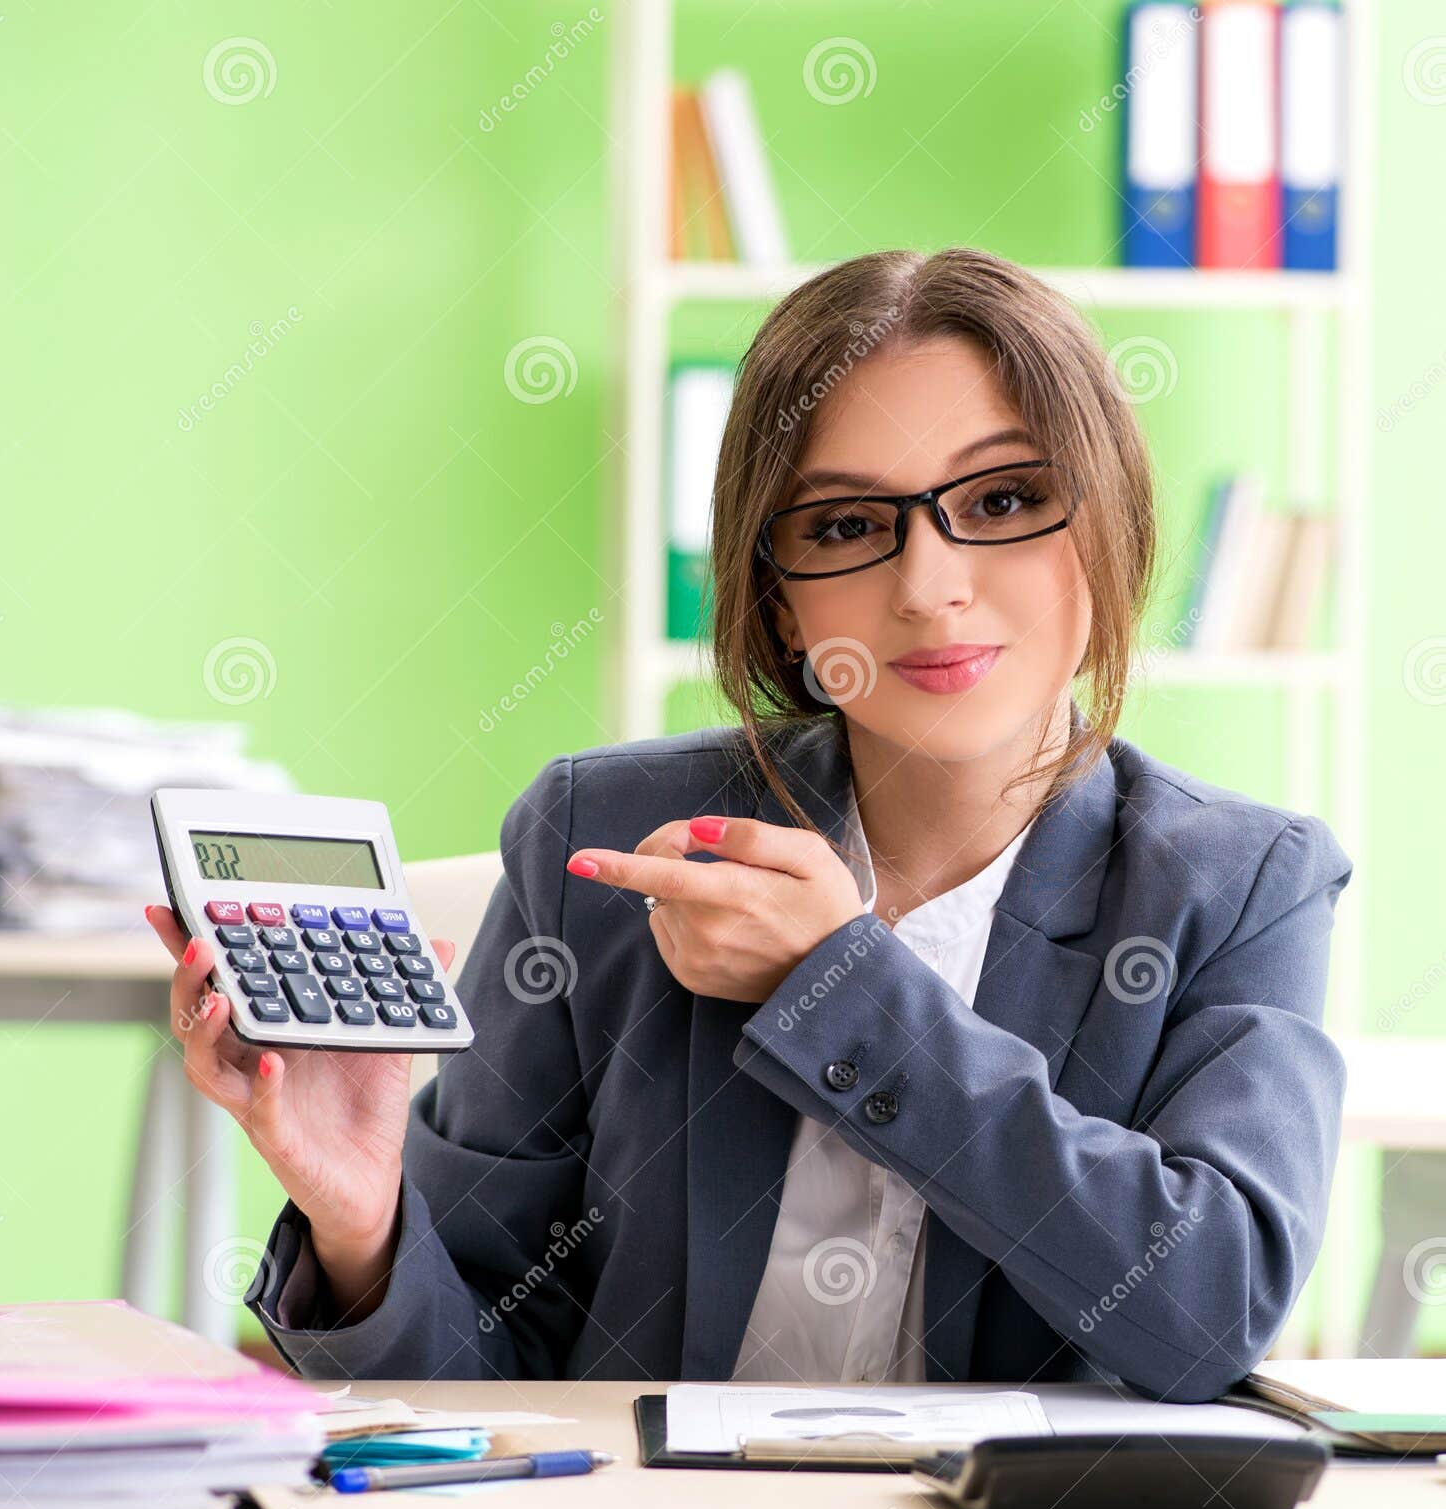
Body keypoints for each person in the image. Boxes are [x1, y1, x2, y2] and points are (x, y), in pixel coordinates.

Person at [146, 246, 1352, 1402]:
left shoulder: (1242, 881)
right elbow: (472, 1390)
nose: (928, 587)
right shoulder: (596, 834)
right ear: (774, 599)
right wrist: (364, 1225)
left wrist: (845, 986)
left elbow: (1203, 1314)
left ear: (1110, 528)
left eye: (1003, 499)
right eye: (841, 524)